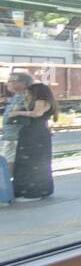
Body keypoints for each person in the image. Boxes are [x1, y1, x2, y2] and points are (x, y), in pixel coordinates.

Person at [10, 79, 56, 201]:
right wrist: (22, 106)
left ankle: (33, 192)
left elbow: (36, 114)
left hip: (35, 135)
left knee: (32, 163)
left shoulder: (42, 101)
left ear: (36, 92)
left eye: (28, 93)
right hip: (32, 134)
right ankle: (39, 190)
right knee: (33, 162)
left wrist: (18, 112)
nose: (26, 95)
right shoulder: (36, 101)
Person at [1, 72, 33, 204]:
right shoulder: (16, 97)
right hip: (9, 135)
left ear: (24, 83)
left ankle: (6, 190)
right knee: (7, 162)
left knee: (9, 163)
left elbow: (21, 115)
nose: (9, 83)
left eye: (13, 81)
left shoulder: (25, 97)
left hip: (15, 136)